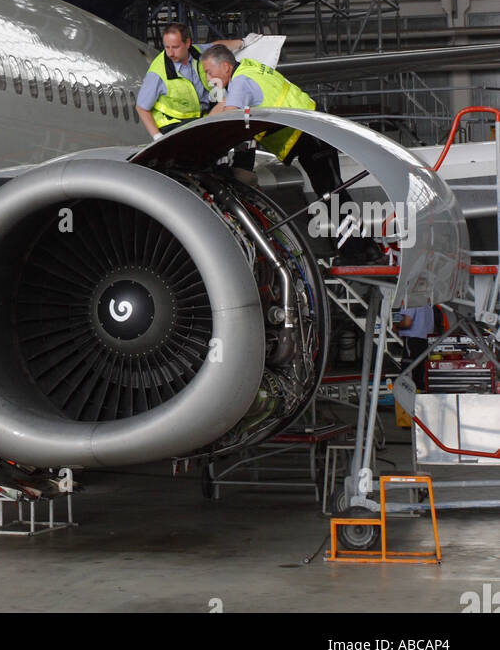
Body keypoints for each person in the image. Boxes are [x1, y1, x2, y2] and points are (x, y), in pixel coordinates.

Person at [200, 43, 382, 265]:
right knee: (333, 190)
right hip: (313, 129)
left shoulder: (240, 82)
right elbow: (227, 105)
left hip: (308, 134)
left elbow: (230, 120)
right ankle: (368, 247)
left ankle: (354, 252)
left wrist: (208, 142)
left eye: (210, 72)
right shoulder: (249, 68)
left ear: (226, 67)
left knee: (331, 193)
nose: (209, 79)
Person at [136, 23, 245, 140]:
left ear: (187, 43)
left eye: (175, 47)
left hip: (200, 120)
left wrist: (242, 42)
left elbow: (218, 47)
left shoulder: (198, 52)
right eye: (167, 47)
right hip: (173, 126)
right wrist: (157, 136)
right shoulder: (157, 73)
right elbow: (141, 107)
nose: (170, 53)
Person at [392, 304, 434, 392]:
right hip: (427, 341)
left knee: (409, 371)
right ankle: (421, 397)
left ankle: (409, 399)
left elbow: (407, 323)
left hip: (413, 341)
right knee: (421, 373)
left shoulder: (410, 300)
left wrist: (396, 326)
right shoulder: (428, 302)